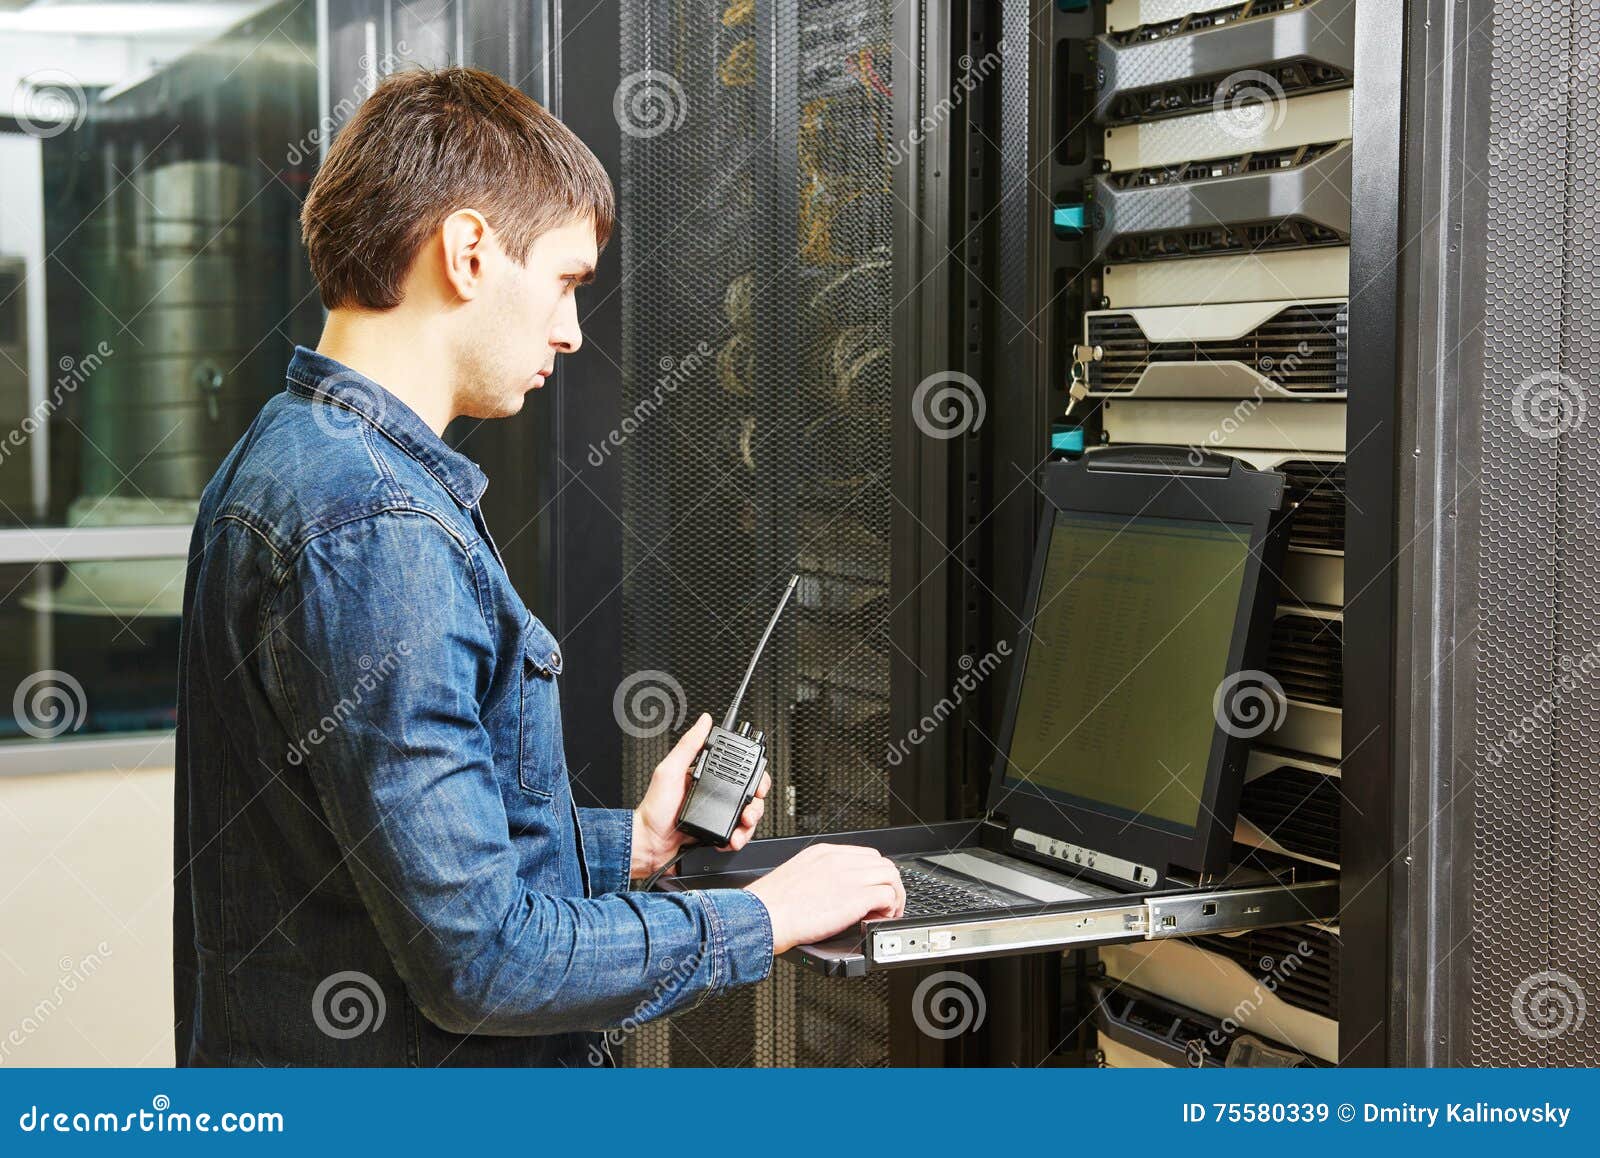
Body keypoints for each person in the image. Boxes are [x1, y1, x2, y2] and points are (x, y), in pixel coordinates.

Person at [173, 66, 904, 1067]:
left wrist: (635, 845)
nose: (570, 330)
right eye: (564, 281)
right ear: (468, 252)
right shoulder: (375, 525)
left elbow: (377, 859)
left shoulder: (291, 454)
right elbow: (486, 962)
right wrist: (769, 916)